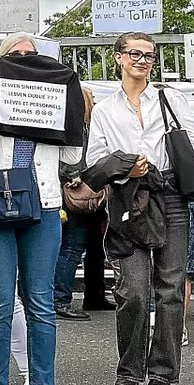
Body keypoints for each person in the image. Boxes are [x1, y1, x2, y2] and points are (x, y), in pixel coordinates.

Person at [87, 32, 194, 385]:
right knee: (132, 290)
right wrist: (123, 170)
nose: (143, 61)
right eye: (135, 54)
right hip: (128, 198)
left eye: (149, 55)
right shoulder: (104, 110)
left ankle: (163, 372)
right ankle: (129, 370)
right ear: (118, 57)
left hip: (171, 194)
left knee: (171, 287)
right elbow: (93, 162)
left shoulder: (171, 99)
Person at [0, 34, 85, 385]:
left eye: (31, 57)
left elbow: (73, 156)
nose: (23, 62)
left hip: (45, 203)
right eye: (14, 57)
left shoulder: (51, 99)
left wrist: (65, 115)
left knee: (39, 302)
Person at [55, 87, 106, 322]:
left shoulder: (87, 127)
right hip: (78, 194)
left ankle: (95, 294)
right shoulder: (74, 127)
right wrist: (74, 174)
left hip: (91, 194)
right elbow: (67, 160)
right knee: (73, 248)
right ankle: (61, 299)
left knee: (96, 247)